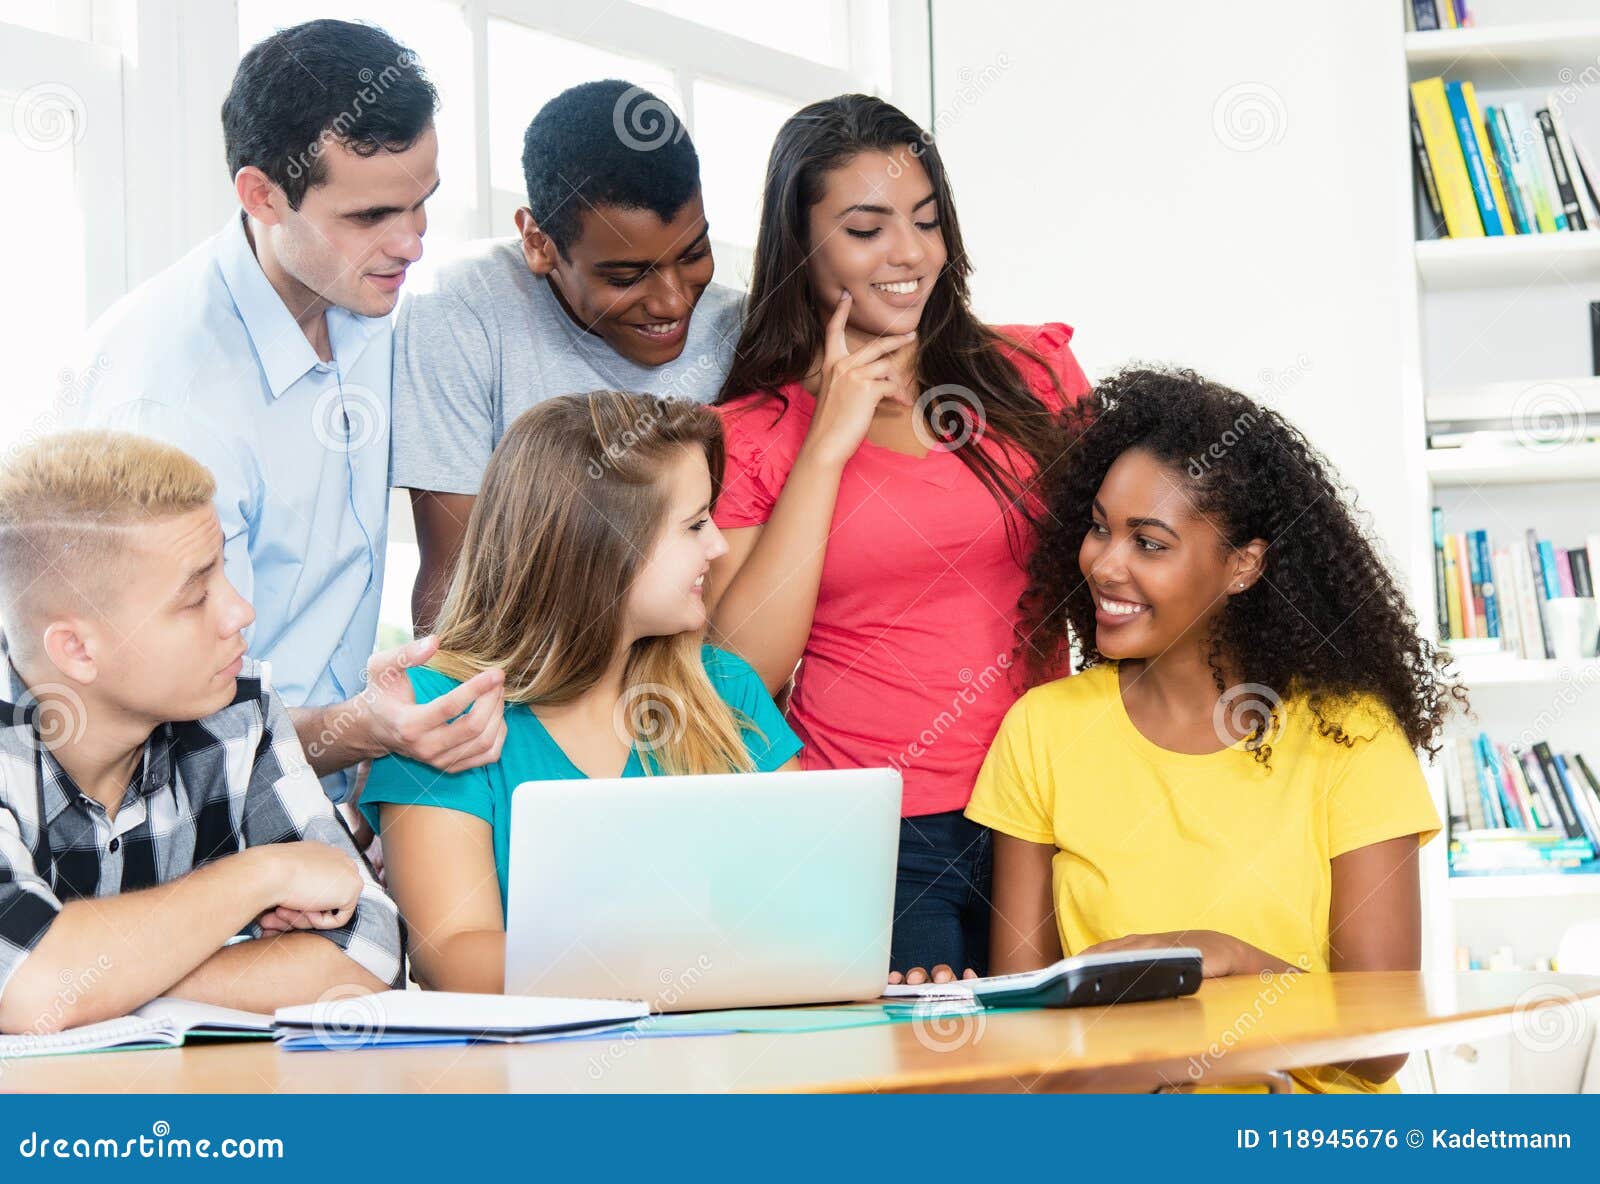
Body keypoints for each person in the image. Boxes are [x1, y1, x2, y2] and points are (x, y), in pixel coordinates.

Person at [961, 367, 1460, 1092]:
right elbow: (1027, 1037)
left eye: (1149, 543)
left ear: (1243, 565)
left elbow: (1378, 1045)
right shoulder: (1044, 730)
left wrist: (1231, 959)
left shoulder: (1350, 735)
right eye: (1099, 528)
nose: (1104, 563)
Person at [68, 19, 505, 819]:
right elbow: (186, 732)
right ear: (261, 195)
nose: (411, 244)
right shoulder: (169, 402)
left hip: (325, 793)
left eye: (422, 205)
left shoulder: (369, 299)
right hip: (170, 813)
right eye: (372, 216)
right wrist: (368, 732)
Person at [705, 94, 1090, 976]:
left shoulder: (1036, 372)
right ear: (802, 246)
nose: (909, 254)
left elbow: (1129, 572)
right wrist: (826, 446)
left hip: (1048, 807)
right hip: (876, 830)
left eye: (925, 221)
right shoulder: (754, 432)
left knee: (1074, 1085)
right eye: (866, 229)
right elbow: (740, 674)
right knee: (930, 1098)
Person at [360, 393, 800, 994]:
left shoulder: (728, 691)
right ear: (604, 543)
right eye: (695, 524)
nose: (718, 545)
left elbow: (809, 919)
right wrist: (676, 967)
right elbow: (456, 961)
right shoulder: (441, 711)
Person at [0, 432, 401, 1035]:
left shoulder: (237, 716)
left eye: (225, 574)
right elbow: (30, 989)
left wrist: (104, 976)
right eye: (195, 598)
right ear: (77, 649)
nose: (240, 612)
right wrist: (260, 876)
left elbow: (369, 953)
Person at [393, 80, 745, 630]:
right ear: (539, 244)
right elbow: (452, 583)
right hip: (524, 680)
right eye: (627, 276)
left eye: (694, 254)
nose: (673, 301)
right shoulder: (461, 310)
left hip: (698, 676)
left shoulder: (741, 330)